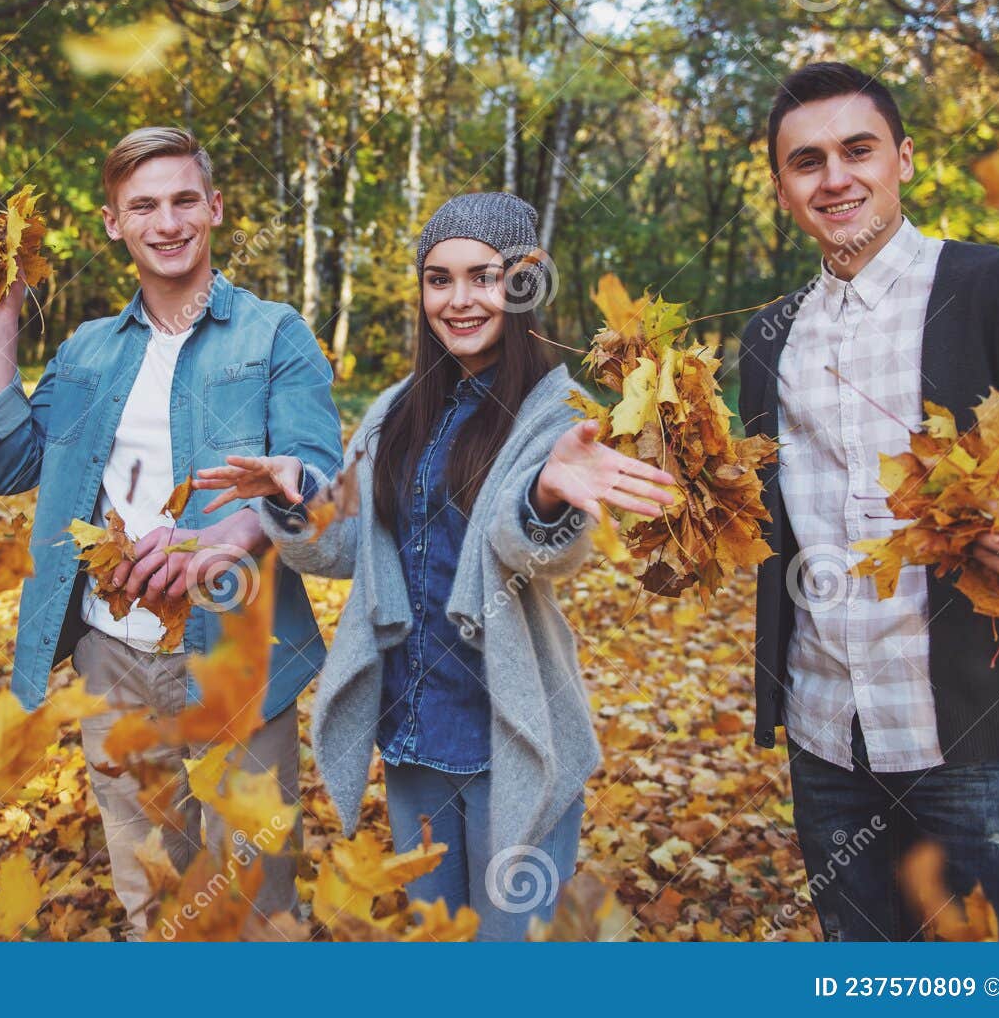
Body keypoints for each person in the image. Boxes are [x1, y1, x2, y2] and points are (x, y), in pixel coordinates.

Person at [738, 62, 999, 941]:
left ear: (903, 158)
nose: (836, 178)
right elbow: (755, 500)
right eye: (807, 161)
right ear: (784, 188)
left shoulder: (997, 290)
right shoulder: (767, 336)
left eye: (858, 150)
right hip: (826, 733)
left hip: (972, 732)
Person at [198, 192, 677, 940]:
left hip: (510, 732)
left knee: (512, 953)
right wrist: (297, 501)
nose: (458, 300)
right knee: (438, 936)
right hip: (415, 726)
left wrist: (548, 493)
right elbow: (345, 545)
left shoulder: (556, 412)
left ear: (522, 283)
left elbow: (544, 552)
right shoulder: (398, 407)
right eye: (438, 278)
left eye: (482, 278)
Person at [0, 127, 343, 938]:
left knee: (254, 903)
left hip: (239, 650)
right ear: (114, 223)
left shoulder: (274, 335)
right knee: (154, 901)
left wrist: (236, 533)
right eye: (143, 206)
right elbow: (10, 465)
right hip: (112, 654)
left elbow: (314, 473)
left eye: (181, 201)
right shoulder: (87, 349)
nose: (166, 222)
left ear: (213, 208)